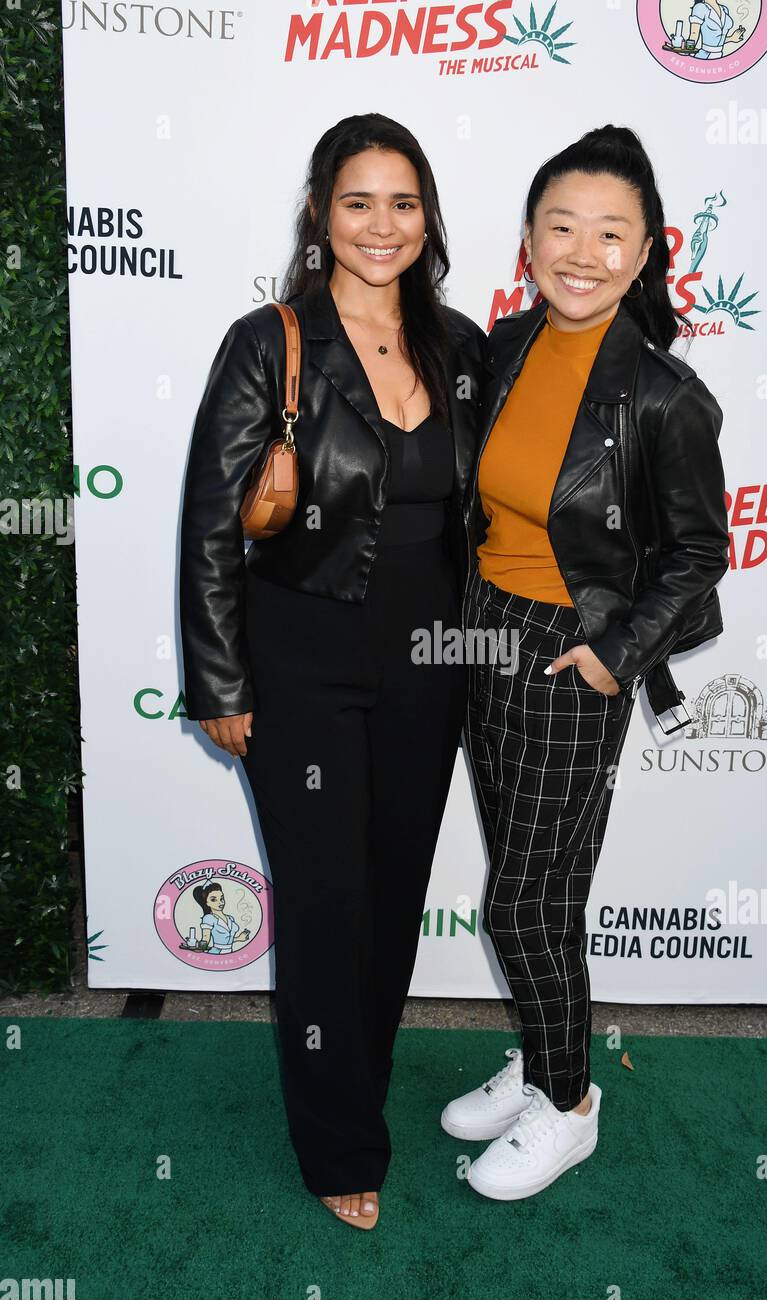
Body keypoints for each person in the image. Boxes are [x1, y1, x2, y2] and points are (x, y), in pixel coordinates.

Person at [178, 114, 485, 1230]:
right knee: (324, 901)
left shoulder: (460, 346)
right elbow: (213, 520)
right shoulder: (270, 341)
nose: (381, 225)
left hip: (431, 659)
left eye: (402, 203)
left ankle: (357, 1078)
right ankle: (339, 1140)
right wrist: (219, 681)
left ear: (427, 217)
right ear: (320, 213)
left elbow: (499, 508)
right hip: (299, 653)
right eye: (358, 201)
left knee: (394, 894)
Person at [446, 124, 730, 1201]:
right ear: (528, 237)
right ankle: (541, 1053)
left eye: (610, 232)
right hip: (479, 625)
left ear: (646, 248)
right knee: (537, 881)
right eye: (560, 225)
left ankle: (567, 1106)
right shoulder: (505, 346)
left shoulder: (663, 395)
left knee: (523, 902)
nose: (581, 249)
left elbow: (700, 552)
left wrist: (615, 654)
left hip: (571, 650)